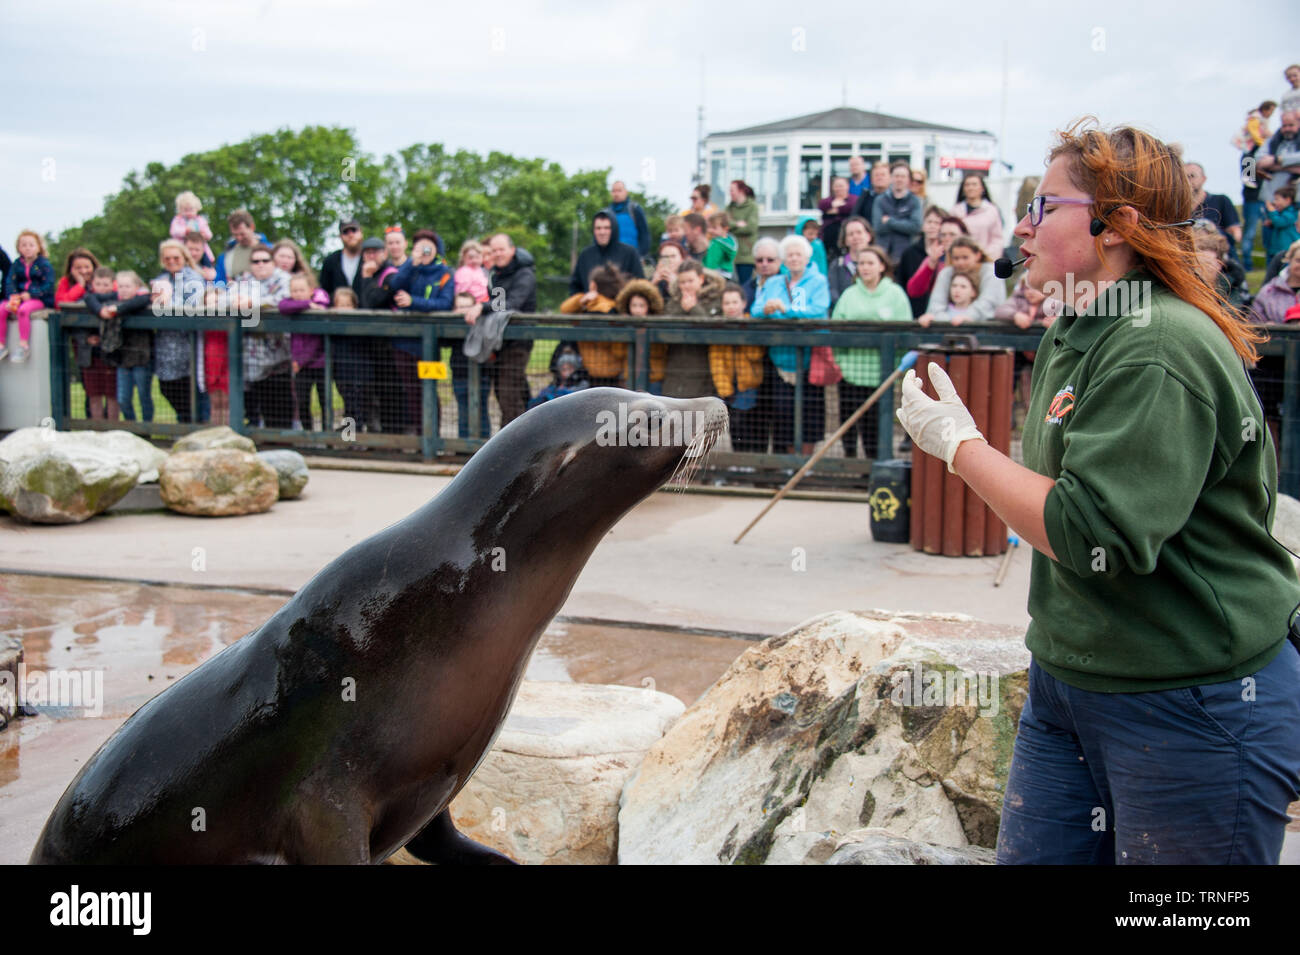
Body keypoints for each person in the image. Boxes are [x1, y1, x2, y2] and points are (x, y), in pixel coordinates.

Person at [897, 118, 1300, 866]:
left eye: (1045, 207)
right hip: (1070, 684)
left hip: (1189, 699)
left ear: (1118, 226)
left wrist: (959, 448)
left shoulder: (1156, 343)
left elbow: (1090, 531)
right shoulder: (1081, 323)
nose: (1022, 224)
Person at [751, 233, 830, 455]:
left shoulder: (818, 281)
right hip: (780, 356)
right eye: (789, 255)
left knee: (810, 412)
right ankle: (789, 460)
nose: (794, 258)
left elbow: (819, 309)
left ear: (806, 257)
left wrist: (786, 310)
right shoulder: (775, 282)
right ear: (784, 259)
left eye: (798, 254)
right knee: (783, 412)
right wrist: (767, 309)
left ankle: (805, 462)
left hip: (809, 358)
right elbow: (756, 309)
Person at [830, 245, 911, 459]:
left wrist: (895, 366)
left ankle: (874, 467)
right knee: (848, 422)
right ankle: (850, 462)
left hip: (881, 374)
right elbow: (836, 330)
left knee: (874, 426)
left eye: (870, 263)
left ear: (882, 266)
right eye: (861, 263)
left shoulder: (895, 294)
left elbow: (905, 333)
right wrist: (841, 363)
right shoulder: (849, 294)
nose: (865, 268)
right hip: (850, 373)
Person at [463, 233, 536, 427]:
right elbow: (498, 302)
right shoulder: (495, 275)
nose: (497, 254)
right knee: (510, 393)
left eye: (501, 249)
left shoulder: (524, 274)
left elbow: (512, 303)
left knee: (508, 395)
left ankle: (513, 445)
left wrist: (482, 307)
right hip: (499, 342)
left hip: (518, 341)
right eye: (494, 250)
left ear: (512, 250)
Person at [387, 230, 454, 434]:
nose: (424, 250)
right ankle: (418, 434)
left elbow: (444, 303)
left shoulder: (445, 273)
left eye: (428, 246)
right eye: (419, 246)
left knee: (429, 391)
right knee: (410, 392)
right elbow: (394, 286)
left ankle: (432, 435)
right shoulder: (410, 270)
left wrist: (413, 302)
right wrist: (410, 263)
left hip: (429, 345)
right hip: (404, 344)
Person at [236, 244, 294, 429]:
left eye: (265, 260)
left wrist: (254, 303)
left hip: (278, 358)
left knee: (277, 408)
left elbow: (284, 300)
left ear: (273, 262)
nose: (260, 264)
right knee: (251, 407)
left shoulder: (285, 280)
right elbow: (229, 300)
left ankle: (281, 443)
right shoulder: (243, 281)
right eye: (256, 261)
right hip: (249, 356)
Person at [87, 269, 154, 423]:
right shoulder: (114, 298)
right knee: (123, 398)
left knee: (144, 396)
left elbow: (144, 299)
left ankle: (147, 427)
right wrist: (100, 310)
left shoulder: (141, 300)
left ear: (137, 287)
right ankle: (133, 426)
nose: (124, 290)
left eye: (128, 286)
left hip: (141, 358)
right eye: (121, 286)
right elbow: (90, 297)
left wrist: (118, 310)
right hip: (122, 359)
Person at [150, 239, 203, 422]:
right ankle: (184, 424)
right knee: (167, 387)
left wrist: (165, 301)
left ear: (184, 257)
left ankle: (191, 426)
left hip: (186, 342)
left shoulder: (193, 278)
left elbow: (192, 305)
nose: (171, 261)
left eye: (175, 257)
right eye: (167, 258)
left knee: (188, 390)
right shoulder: (163, 278)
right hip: (165, 343)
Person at [708, 283, 765, 451]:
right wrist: (725, 389)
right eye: (727, 303)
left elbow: (756, 355)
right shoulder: (719, 328)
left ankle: (752, 460)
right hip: (728, 385)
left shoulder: (752, 325)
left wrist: (742, 335)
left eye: (735, 302)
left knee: (751, 423)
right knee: (736, 425)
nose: (731, 307)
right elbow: (715, 360)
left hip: (749, 384)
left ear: (743, 303)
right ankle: (738, 459)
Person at [662, 259, 724, 398]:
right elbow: (665, 328)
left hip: (703, 366)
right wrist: (681, 309)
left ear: (701, 279)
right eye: (683, 282)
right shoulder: (673, 302)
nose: (686, 286)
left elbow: (713, 331)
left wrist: (694, 309)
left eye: (690, 281)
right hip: (675, 366)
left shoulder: (714, 299)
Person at [278, 273, 330, 430]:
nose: (297, 294)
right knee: (302, 401)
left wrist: (300, 361)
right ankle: (308, 434)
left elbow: (315, 342)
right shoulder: (301, 306)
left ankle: (327, 435)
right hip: (301, 366)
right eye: (294, 291)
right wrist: (307, 304)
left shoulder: (320, 305)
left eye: (301, 290)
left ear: (311, 290)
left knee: (324, 401)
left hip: (319, 364)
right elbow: (282, 306)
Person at [918, 235, 1005, 327]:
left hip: (986, 328)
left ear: (978, 255)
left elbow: (988, 302)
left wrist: (967, 317)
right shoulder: (946, 273)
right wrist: (947, 322)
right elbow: (936, 303)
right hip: (949, 327)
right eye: (956, 258)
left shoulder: (991, 272)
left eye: (965, 257)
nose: (960, 262)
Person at [562, 265, 626, 387]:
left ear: (593, 285)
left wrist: (581, 301)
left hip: (596, 370)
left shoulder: (596, 307)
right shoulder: (615, 305)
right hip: (612, 370)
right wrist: (582, 300)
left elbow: (564, 309)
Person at [1, 230, 55, 363]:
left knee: (23, 311)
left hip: (39, 299)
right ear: (19, 248)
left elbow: (48, 285)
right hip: (19, 298)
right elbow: (10, 281)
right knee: (2, 309)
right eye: (24, 245)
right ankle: (1, 345)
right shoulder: (16, 265)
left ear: (38, 247)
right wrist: (13, 295)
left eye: (31, 245)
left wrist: (32, 294)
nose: (27, 248)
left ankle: (23, 345)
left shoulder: (44, 265)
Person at [613, 278, 668, 393]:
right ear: (628, 306)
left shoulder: (657, 326)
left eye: (641, 305)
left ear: (649, 306)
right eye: (634, 305)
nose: (637, 310)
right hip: (630, 379)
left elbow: (661, 352)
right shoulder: (624, 326)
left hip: (653, 380)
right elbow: (617, 352)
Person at [905, 217, 969, 315]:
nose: (947, 238)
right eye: (943, 235)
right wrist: (930, 264)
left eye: (952, 234)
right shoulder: (935, 259)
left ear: (963, 235)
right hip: (939, 314)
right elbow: (913, 290)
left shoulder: (973, 260)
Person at [569, 212, 643, 294]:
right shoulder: (585, 255)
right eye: (598, 228)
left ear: (614, 229)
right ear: (594, 230)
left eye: (607, 228)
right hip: (590, 305)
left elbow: (639, 285)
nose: (602, 232)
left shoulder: (630, 253)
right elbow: (575, 287)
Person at [896, 206, 947, 317]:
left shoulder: (947, 254)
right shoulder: (909, 253)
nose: (932, 226)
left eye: (937, 223)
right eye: (929, 222)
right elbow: (901, 282)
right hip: (914, 310)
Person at [1186, 162, 1242, 262]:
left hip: (1218, 255)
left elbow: (1235, 231)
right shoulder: (1177, 208)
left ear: (1203, 179)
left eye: (1192, 176)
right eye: (1184, 177)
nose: (1188, 180)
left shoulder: (1221, 200)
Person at [870, 161, 923, 262]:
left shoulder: (914, 201)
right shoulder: (880, 200)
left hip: (906, 254)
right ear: (891, 178)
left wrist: (889, 221)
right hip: (883, 254)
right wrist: (904, 223)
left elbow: (916, 227)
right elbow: (878, 227)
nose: (899, 179)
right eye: (896, 176)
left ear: (908, 180)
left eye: (903, 176)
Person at [950, 173, 1005, 260]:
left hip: (985, 259)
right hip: (960, 260)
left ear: (982, 188)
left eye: (974, 184)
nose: (970, 188)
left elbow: (997, 238)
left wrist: (985, 256)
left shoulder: (991, 210)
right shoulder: (955, 211)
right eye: (967, 185)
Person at [827, 215, 875, 307]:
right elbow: (833, 292)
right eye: (851, 234)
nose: (855, 237)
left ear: (869, 236)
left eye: (859, 232)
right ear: (845, 240)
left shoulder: (880, 262)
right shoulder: (837, 265)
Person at [213, 209, 269, 285]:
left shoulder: (270, 250)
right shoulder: (226, 255)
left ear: (252, 227)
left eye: (242, 234)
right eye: (235, 235)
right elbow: (219, 283)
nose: (239, 238)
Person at [726, 180, 760, 285]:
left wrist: (733, 227)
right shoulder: (729, 208)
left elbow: (751, 228)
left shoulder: (752, 206)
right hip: (731, 255)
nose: (730, 193)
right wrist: (737, 224)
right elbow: (724, 225)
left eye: (732, 190)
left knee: (746, 286)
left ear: (741, 191)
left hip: (746, 256)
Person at [607, 181, 651, 258]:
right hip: (612, 257)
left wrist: (641, 255)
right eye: (613, 191)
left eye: (619, 190)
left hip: (632, 256)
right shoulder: (607, 212)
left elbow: (644, 234)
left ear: (626, 192)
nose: (616, 194)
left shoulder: (635, 209)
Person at [170, 191, 215, 266]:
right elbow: (173, 231)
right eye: (185, 210)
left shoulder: (200, 220)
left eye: (191, 209)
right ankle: (178, 278)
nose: (189, 213)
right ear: (180, 210)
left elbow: (209, 234)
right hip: (182, 249)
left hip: (200, 248)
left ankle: (209, 275)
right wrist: (185, 231)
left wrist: (204, 234)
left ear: (197, 209)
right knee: (179, 266)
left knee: (207, 263)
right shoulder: (178, 220)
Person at [817, 176, 854, 254]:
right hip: (828, 236)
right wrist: (834, 204)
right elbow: (821, 205)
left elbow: (851, 207)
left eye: (841, 186)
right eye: (836, 186)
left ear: (847, 186)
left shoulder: (854, 199)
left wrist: (836, 208)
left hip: (845, 234)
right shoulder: (828, 200)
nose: (838, 188)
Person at [1265, 184, 1299, 260]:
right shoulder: (1280, 213)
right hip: (1277, 249)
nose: (1274, 202)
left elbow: (1280, 222)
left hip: (1287, 249)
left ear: (1288, 200)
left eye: (1277, 199)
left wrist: (1272, 211)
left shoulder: (1292, 213)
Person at [702, 211, 738, 277]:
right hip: (724, 275)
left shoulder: (717, 244)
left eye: (714, 228)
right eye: (709, 227)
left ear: (725, 229)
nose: (710, 230)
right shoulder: (730, 241)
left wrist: (705, 272)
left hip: (717, 275)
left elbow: (711, 262)